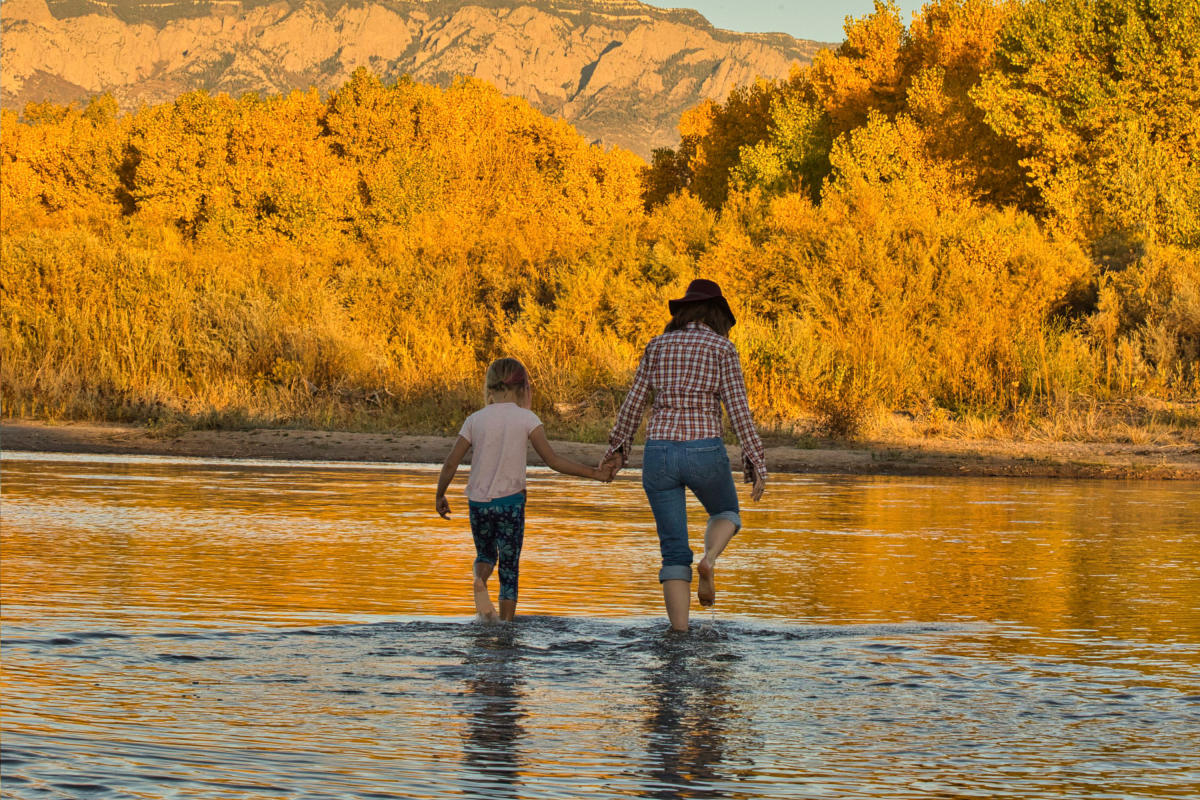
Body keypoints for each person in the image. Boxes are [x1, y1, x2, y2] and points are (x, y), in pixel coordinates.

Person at [602, 279, 766, 631]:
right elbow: (738, 409)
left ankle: (679, 634)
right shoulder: (722, 348)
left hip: (659, 452)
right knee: (726, 512)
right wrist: (754, 458)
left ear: (684, 312)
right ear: (717, 315)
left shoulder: (657, 345)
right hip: (704, 448)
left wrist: (617, 449)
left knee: (673, 551)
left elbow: (634, 402)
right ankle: (709, 559)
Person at [437, 357, 613, 623]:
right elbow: (553, 460)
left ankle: (479, 579)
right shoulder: (527, 418)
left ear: (490, 386)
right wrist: (595, 474)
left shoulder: (475, 420)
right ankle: (506, 627)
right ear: (522, 387)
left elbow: (451, 462)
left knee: (485, 555)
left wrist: (440, 494)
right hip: (511, 504)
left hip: (478, 504)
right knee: (509, 567)